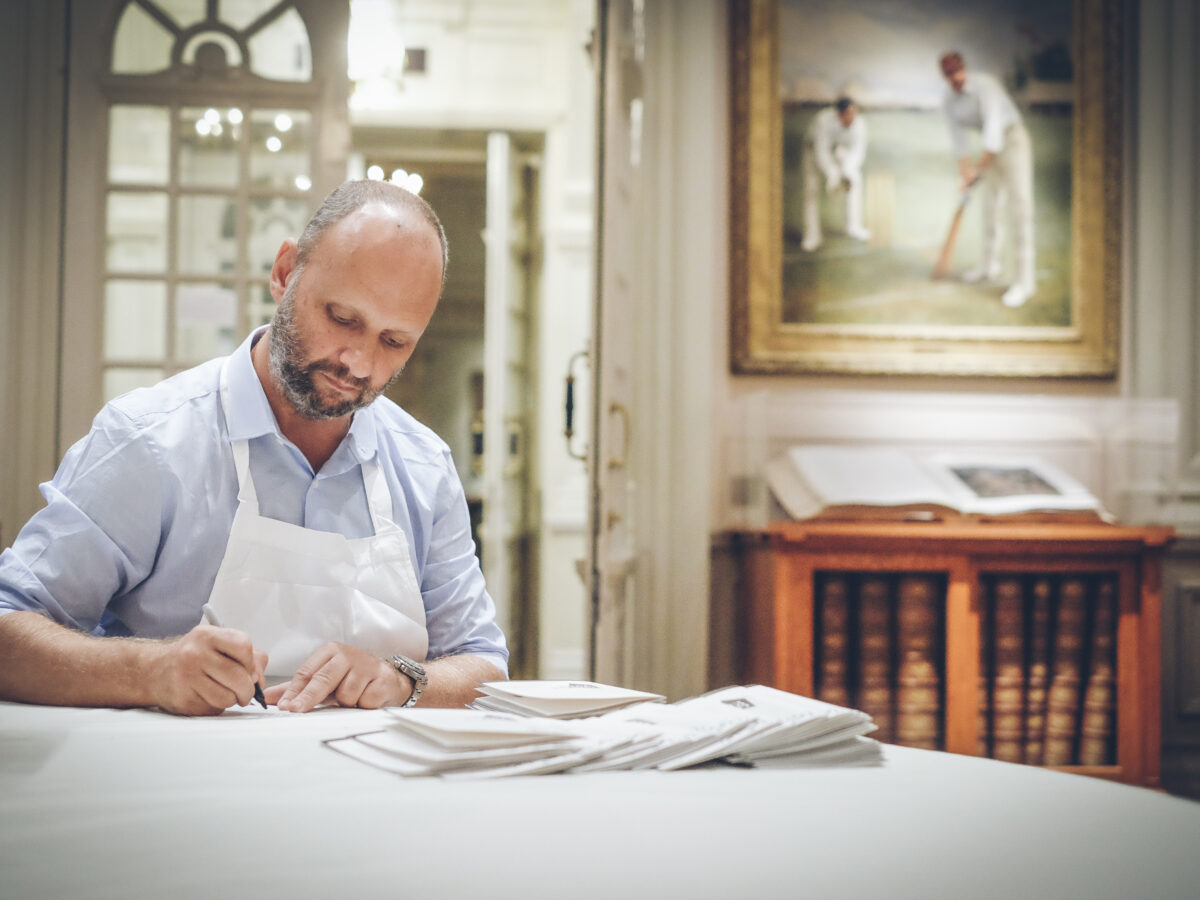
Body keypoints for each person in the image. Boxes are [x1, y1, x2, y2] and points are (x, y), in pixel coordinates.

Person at [0, 179, 508, 716]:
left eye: (393, 342)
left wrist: (402, 680)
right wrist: (151, 672)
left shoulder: (423, 466)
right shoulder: (151, 441)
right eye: (342, 319)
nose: (358, 363)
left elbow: (483, 664)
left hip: (367, 793)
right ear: (285, 272)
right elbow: (9, 630)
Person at [939, 51, 1036, 308]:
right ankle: (988, 265)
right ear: (944, 76)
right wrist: (965, 174)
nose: (955, 78)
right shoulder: (949, 100)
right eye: (949, 74)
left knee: (1019, 208)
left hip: (1012, 141)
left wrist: (977, 171)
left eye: (957, 71)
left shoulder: (986, 86)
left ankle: (1024, 283)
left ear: (964, 68)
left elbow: (993, 132)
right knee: (990, 207)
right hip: (989, 149)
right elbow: (959, 141)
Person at [801, 96, 871, 252]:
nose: (851, 118)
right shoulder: (823, 122)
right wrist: (833, 175)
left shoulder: (859, 124)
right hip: (813, 152)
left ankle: (853, 226)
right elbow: (821, 152)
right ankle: (812, 236)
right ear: (838, 114)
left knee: (855, 180)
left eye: (854, 113)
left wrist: (847, 171)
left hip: (840, 151)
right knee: (811, 191)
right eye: (847, 114)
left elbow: (857, 152)